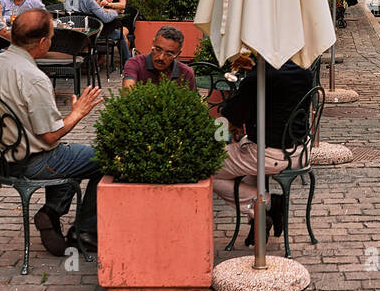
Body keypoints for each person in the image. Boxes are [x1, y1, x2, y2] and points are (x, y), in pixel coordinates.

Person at [0, 9, 103, 254]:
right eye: (52, 35)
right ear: (44, 42)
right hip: (33, 162)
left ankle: (51, 212)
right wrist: (78, 111)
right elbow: (50, 135)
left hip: (4, 160)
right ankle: (85, 231)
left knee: (72, 155)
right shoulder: (34, 77)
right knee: (104, 158)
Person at [213, 56, 317, 244]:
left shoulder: (260, 77)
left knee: (207, 168)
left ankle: (269, 204)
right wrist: (255, 69)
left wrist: (252, 75)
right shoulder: (304, 70)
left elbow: (232, 113)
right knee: (246, 163)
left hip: (270, 153)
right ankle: (259, 222)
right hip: (300, 150)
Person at [64, 0, 130, 62]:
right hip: (96, 33)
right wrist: (115, 12)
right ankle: (127, 62)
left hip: (76, 33)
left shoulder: (68, 2)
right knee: (119, 34)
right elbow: (106, 18)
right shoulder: (89, 2)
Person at [122, 26, 195, 92]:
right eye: (158, 49)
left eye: (169, 54)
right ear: (153, 43)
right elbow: (128, 91)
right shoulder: (135, 64)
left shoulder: (186, 73)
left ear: (178, 53)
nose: (161, 57)